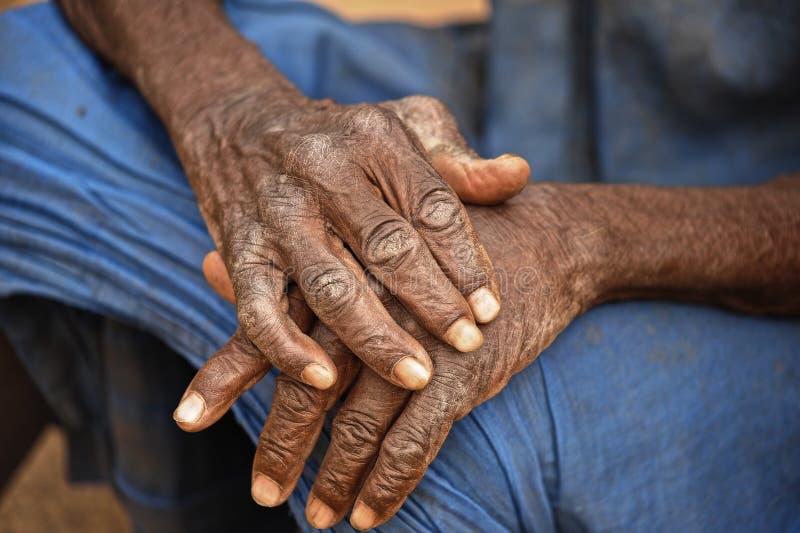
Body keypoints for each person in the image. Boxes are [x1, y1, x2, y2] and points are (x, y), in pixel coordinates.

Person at [1, 0, 798, 531]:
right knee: (21, 96)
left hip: (747, 242)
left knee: (435, 410)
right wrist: (231, 109)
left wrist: (579, 238)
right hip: (538, 92)